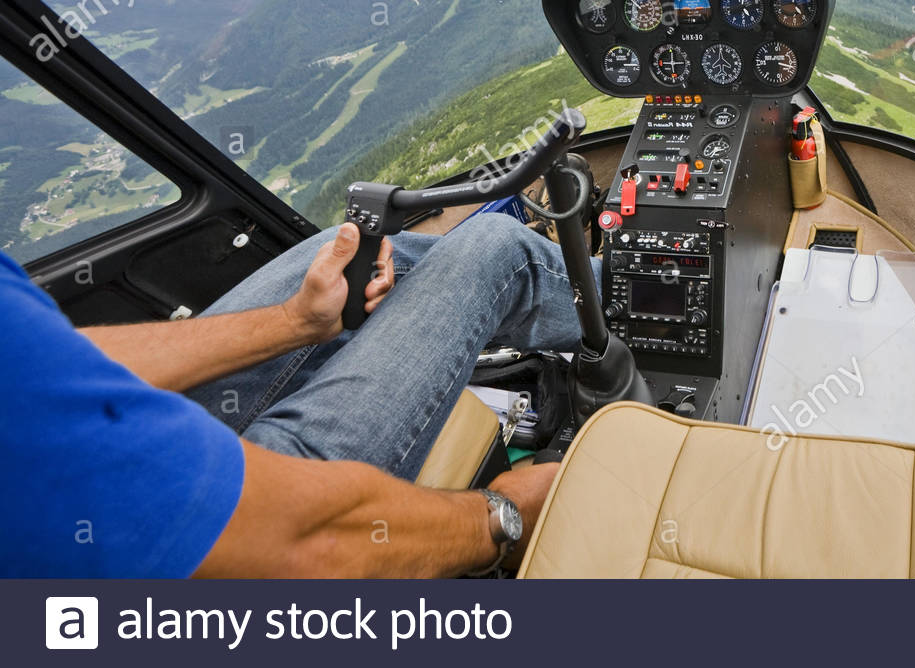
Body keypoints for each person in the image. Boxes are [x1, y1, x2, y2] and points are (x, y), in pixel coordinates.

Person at [1, 213, 595, 577]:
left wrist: (296, 322)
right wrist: (501, 519)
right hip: (208, 547)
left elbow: (56, 365)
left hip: (117, 470)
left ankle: (642, 294)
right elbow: (297, 552)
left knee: (340, 267)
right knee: (494, 246)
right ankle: (656, 308)